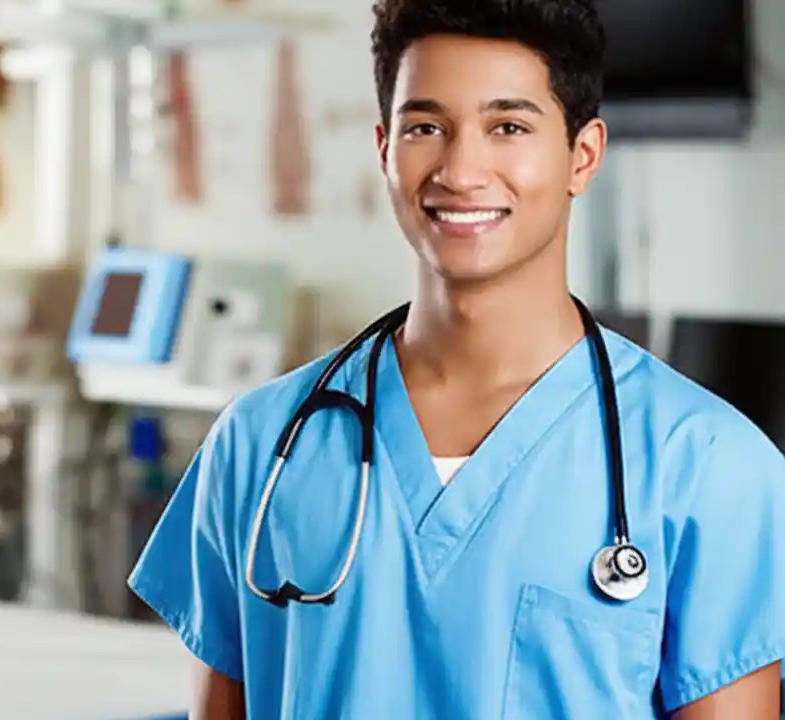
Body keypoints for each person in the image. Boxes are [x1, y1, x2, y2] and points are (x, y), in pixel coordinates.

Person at [126, 0, 785, 717]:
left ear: (583, 155)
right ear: (384, 150)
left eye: (508, 127)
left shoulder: (709, 465)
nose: (461, 169)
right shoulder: (258, 444)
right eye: (425, 127)